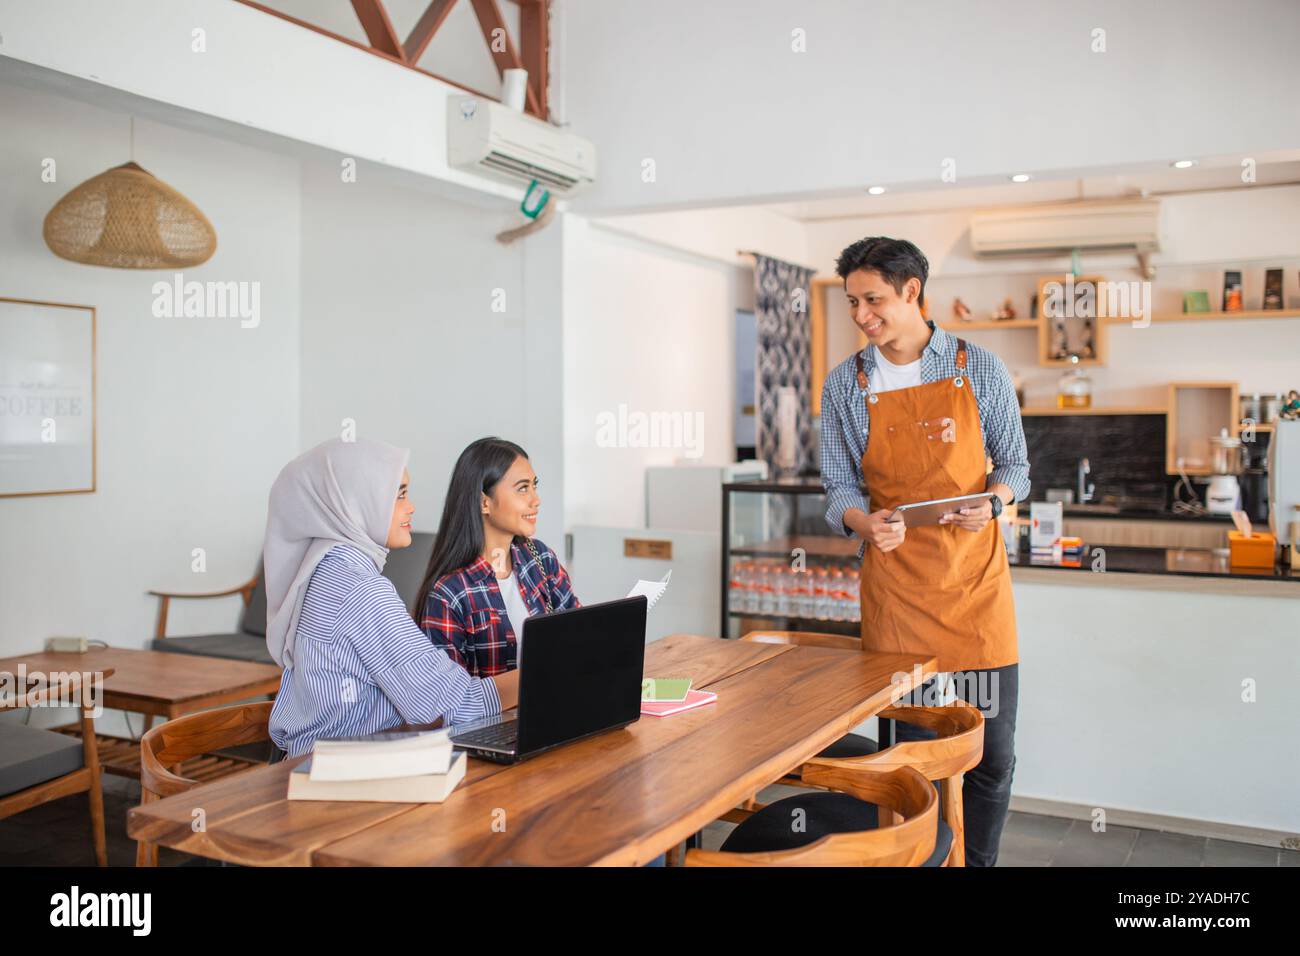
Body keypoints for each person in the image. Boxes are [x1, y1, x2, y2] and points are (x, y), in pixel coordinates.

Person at [819, 236, 1030, 867]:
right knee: (913, 758)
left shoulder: (980, 368)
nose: (861, 315)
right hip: (899, 597)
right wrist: (863, 522)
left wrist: (991, 502)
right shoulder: (845, 384)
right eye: (854, 301)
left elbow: (1017, 468)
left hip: (974, 593)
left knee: (991, 756)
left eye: (874, 299)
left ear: (912, 291)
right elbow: (839, 488)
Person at [264, 437, 518, 758]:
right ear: (353, 503)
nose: (411, 506)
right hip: (343, 778)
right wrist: (543, 675)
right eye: (398, 495)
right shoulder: (361, 590)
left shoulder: (322, 571)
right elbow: (455, 705)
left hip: (306, 763)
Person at [415, 437, 578, 677]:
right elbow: (446, 699)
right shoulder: (449, 594)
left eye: (534, 485)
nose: (536, 499)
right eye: (523, 488)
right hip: (498, 717)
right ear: (484, 503)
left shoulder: (541, 559)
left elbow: (578, 635)